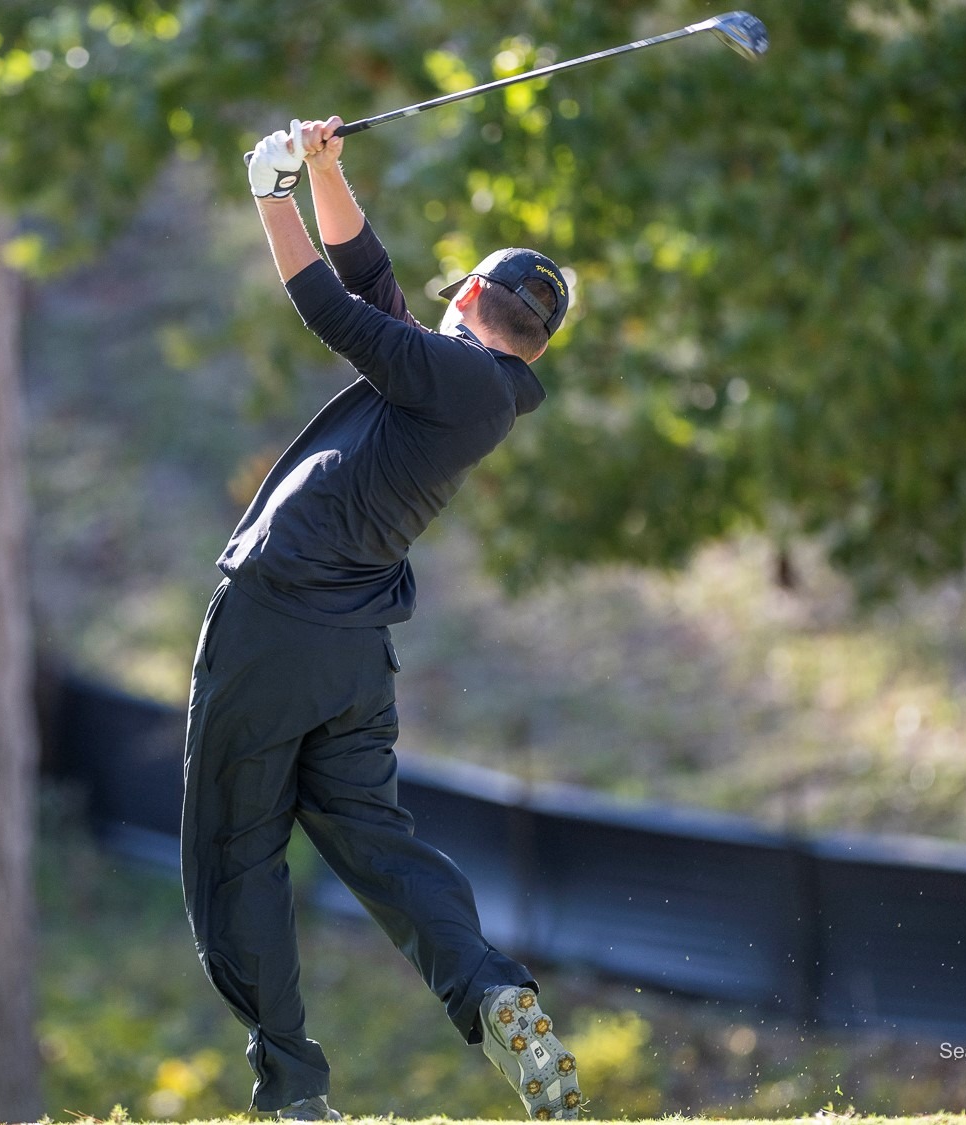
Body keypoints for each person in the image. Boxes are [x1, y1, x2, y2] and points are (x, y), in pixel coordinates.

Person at [180, 117, 582, 1121]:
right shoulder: (473, 385)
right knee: (378, 845)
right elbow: (367, 280)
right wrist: (321, 172)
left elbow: (325, 303)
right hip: (349, 655)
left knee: (234, 858)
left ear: (474, 297)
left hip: (274, 626)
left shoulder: (449, 376)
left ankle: (291, 1093)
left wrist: (265, 193)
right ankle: (491, 994)